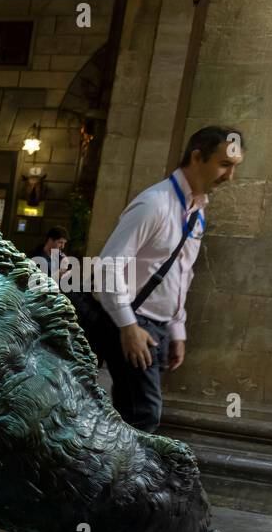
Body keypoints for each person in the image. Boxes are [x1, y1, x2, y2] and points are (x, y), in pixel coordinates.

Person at [94, 126, 243, 432]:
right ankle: (122, 480)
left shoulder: (196, 211)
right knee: (142, 416)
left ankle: (117, 477)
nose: (229, 177)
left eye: (234, 167)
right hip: (137, 323)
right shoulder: (155, 203)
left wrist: (177, 328)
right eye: (224, 165)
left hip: (158, 326)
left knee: (135, 417)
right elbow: (107, 266)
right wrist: (128, 326)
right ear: (197, 156)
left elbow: (181, 272)